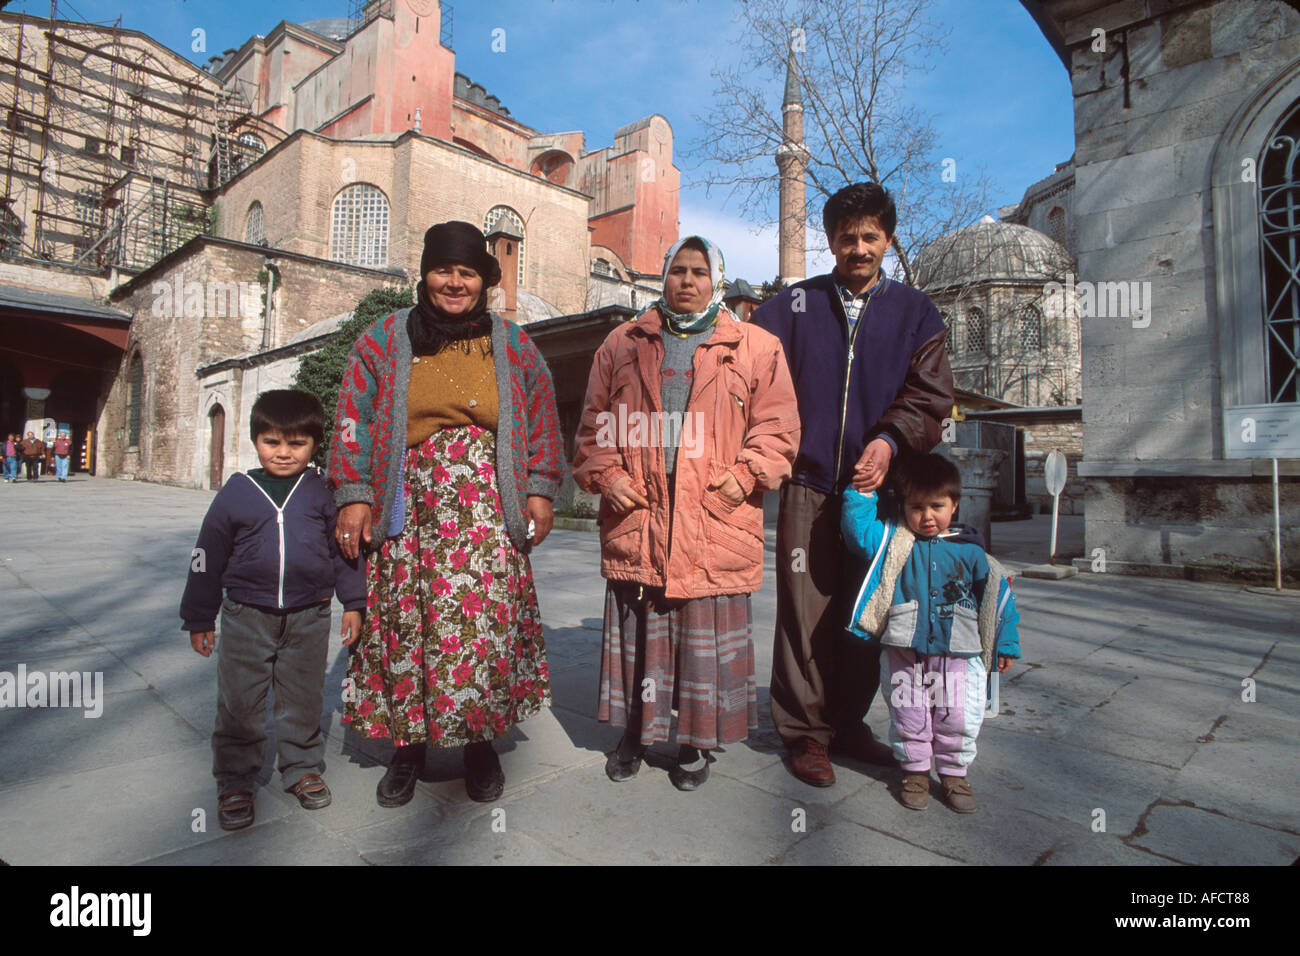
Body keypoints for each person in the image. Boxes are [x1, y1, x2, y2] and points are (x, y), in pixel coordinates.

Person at [330, 220, 563, 806]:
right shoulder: (383, 340)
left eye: (467, 273)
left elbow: (540, 414)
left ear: (483, 281)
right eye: (443, 270)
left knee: (481, 628)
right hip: (408, 501)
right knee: (406, 624)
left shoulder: (513, 344)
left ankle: (480, 745)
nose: (454, 283)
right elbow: (352, 415)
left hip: (487, 501)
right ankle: (408, 749)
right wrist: (354, 492)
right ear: (425, 274)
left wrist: (540, 486)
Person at [572, 235, 800, 790]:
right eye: (678, 270)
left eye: (700, 271)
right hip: (643, 507)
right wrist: (609, 476)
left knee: (702, 634)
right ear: (664, 277)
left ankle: (697, 742)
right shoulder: (623, 342)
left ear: (715, 279)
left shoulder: (756, 346)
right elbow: (594, 425)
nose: (688, 281)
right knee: (640, 631)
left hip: (712, 511)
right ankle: (635, 733)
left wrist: (744, 475)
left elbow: (779, 429)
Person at [752, 181, 954, 787]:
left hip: (882, 494)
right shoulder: (793, 306)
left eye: (870, 236)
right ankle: (805, 733)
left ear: (887, 239)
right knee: (804, 611)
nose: (858, 248)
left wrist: (890, 440)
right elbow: (745, 362)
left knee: (868, 612)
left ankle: (846, 722)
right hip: (807, 484)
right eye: (846, 237)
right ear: (831, 241)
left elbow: (931, 397)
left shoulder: (916, 313)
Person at [179, 389, 365, 831]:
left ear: (314, 445)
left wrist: (354, 603)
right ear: (255, 440)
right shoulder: (236, 494)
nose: (283, 453)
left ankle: (301, 769)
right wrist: (199, 617)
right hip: (246, 615)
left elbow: (345, 553)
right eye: (271, 442)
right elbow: (206, 555)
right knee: (240, 701)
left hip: (310, 615)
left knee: (302, 697)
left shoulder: (322, 493)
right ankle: (236, 780)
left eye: (296, 443)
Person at [840, 452, 1020, 812]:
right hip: (904, 650)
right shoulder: (893, 542)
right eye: (916, 507)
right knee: (909, 712)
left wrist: (1006, 642)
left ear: (955, 504)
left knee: (957, 713)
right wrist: (861, 492)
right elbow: (858, 534)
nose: (926, 517)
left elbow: (998, 598)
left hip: (958, 653)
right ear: (903, 506)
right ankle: (916, 771)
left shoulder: (969, 551)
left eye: (937, 506)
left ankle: (954, 773)